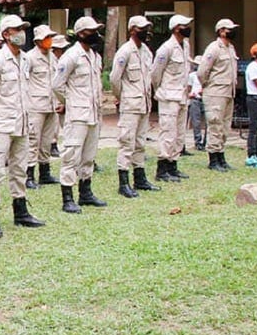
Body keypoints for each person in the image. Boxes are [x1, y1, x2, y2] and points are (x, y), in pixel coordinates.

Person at [0, 15, 45, 236]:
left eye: (23, 29)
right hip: (2, 123)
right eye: (17, 30)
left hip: (23, 123)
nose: (21, 33)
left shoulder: (25, 60)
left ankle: (21, 212)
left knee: (20, 169)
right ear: (6, 34)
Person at [52, 16, 107, 214]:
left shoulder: (94, 56)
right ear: (81, 34)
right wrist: (71, 102)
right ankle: (67, 197)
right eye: (91, 31)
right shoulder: (71, 56)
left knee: (89, 155)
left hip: (93, 113)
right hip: (77, 114)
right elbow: (57, 84)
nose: (95, 35)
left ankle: (86, 192)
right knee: (71, 154)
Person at [111, 15, 159, 198]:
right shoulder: (125, 52)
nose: (145, 31)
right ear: (132, 30)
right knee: (126, 142)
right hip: (130, 104)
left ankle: (140, 178)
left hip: (144, 103)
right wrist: (121, 97)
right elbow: (115, 79)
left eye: (146, 28)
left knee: (140, 142)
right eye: (141, 28)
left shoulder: (146, 51)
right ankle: (124, 182)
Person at [151, 14, 193, 182]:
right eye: (184, 25)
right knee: (168, 132)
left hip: (182, 95)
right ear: (176, 28)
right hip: (169, 95)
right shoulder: (166, 48)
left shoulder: (185, 45)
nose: (187, 28)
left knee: (179, 133)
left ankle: (173, 165)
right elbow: (155, 73)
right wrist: (160, 89)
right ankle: (162, 169)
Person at [198, 19, 239, 172]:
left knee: (225, 126)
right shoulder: (214, 48)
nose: (232, 31)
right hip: (215, 92)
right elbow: (202, 72)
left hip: (228, 92)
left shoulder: (231, 48)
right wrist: (208, 86)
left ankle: (221, 156)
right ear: (221, 31)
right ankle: (213, 159)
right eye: (229, 29)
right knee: (215, 125)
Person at [25, 24, 60, 189]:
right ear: (38, 41)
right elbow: (23, 81)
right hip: (35, 106)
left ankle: (45, 172)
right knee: (33, 140)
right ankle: (29, 174)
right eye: (46, 38)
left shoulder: (53, 57)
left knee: (47, 141)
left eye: (50, 37)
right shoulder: (29, 58)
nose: (49, 41)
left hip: (51, 105)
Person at [188, 56, 206, 151]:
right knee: (196, 122)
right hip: (195, 99)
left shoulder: (206, 75)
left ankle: (206, 142)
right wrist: (190, 94)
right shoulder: (192, 75)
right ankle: (198, 142)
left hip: (205, 99)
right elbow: (189, 88)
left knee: (209, 122)